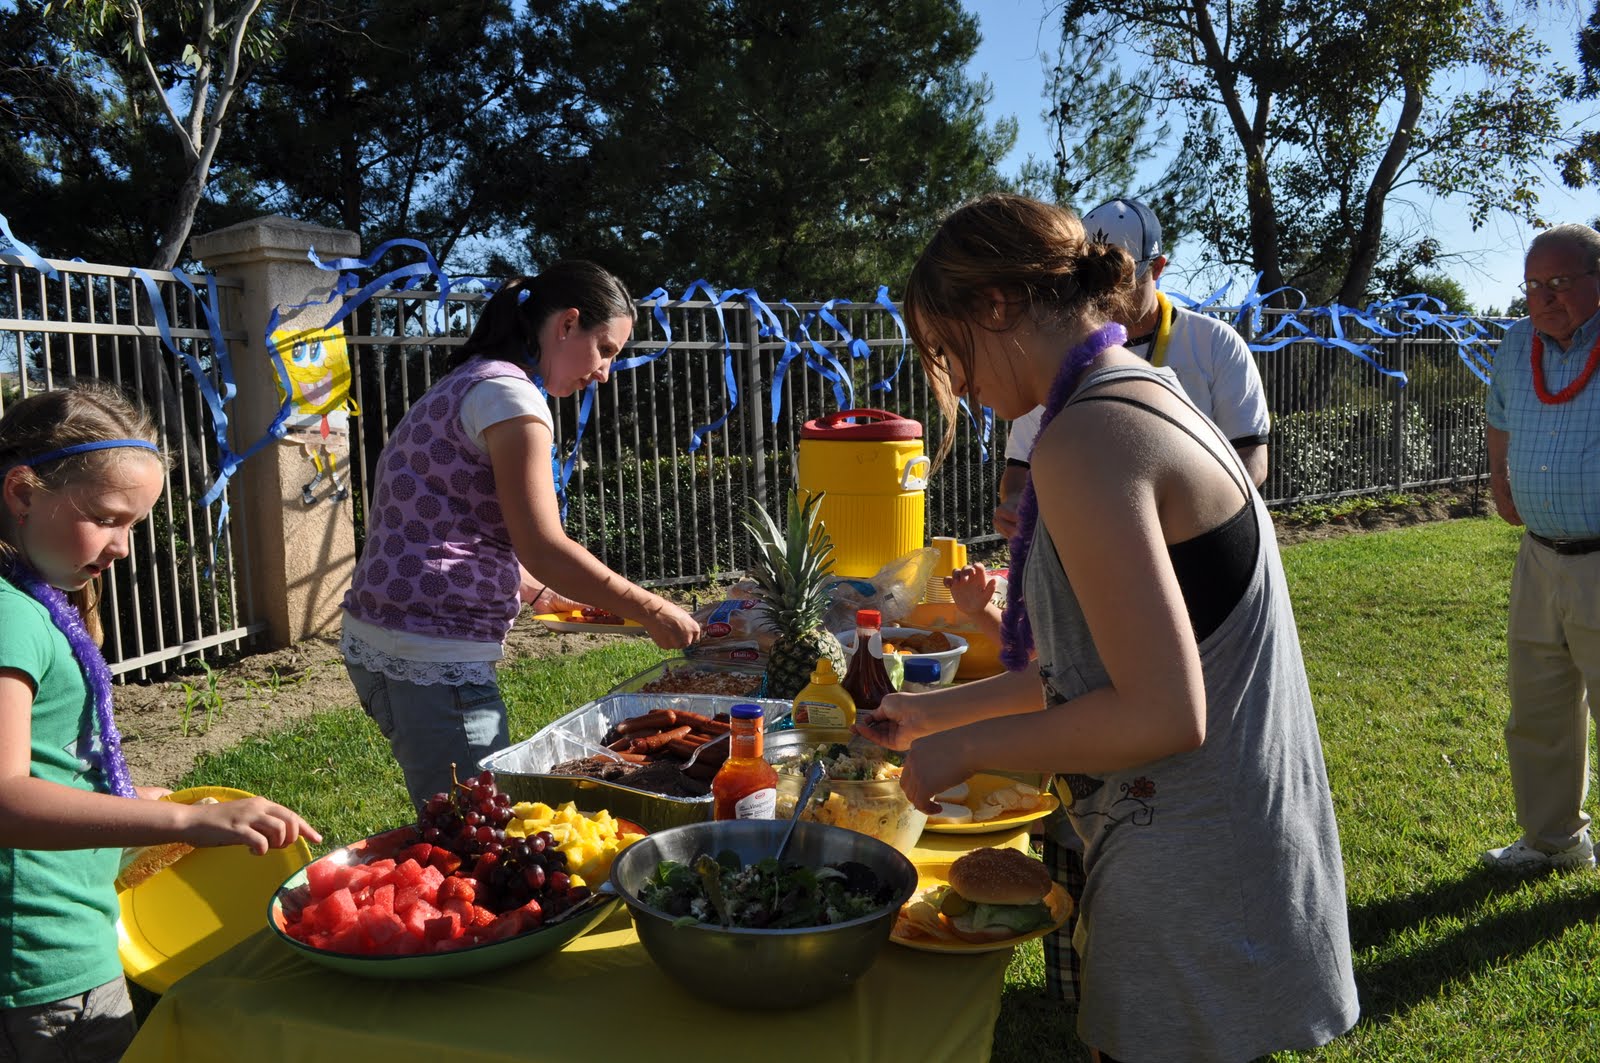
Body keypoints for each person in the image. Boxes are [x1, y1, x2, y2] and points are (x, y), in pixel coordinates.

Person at [857, 194, 1358, 1062]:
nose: (955, 383)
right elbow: (1089, 671)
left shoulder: (1088, 435)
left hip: (1195, 869)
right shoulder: (1133, 391)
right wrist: (929, 717)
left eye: (947, 350)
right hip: (1218, 849)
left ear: (997, 306)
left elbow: (1163, 711)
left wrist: (964, 751)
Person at [0, 384, 320, 1062]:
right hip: (40, 962)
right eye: (106, 518)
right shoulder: (9, 617)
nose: (122, 547)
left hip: (67, 938)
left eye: (134, 525)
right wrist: (183, 822)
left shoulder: (33, 601)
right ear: (23, 493)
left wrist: (134, 800)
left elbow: (44, 762)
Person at [341, 262, 702, 812]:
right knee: (477, 828)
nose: (605, 373)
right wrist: (649, 608)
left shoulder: (476, 380)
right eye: (605, 349)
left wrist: (532, 589)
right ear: (567, 324)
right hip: (432, 651)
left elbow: (454, 518)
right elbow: (543, 545)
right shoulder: (510, 397)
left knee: (464, 819)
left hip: (387, 638)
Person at [993, 197, 1271, 539]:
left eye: (1122, 281)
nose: (1109, 298)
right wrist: (1016, 504)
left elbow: (1252, 458)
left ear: (1158, 268)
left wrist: (1185, 525)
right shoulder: (1056, 352)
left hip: (1199, 542)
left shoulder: (1215, 342)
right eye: (1094, 285)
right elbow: (1019, 470)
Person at [1481, 223, 1600, 871]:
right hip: (1538, 555)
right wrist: (1499, 479)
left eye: (1560, 282)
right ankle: (1555, 840)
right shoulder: (1515, 343)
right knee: (1538, 704)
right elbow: (1500, 415)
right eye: (1533, 285)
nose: (1545, 297)